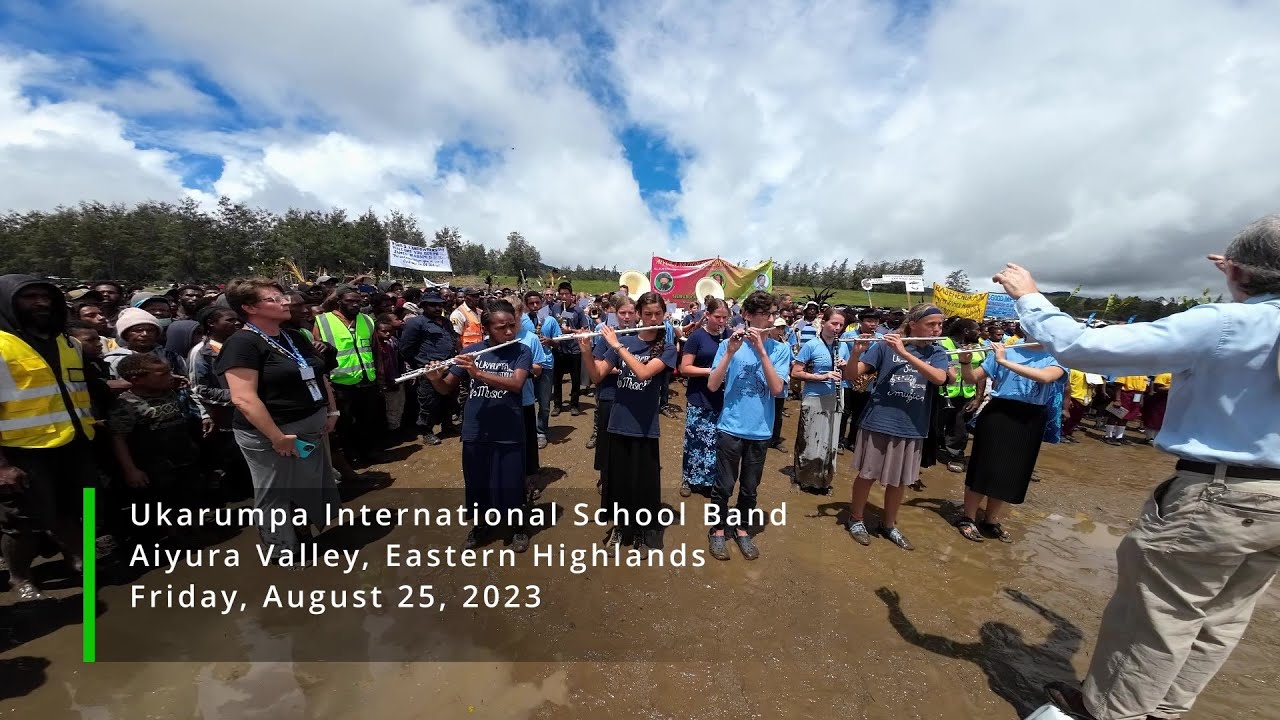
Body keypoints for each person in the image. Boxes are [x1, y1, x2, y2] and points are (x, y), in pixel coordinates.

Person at [991, 215, 1280, 720]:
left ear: (1236, 273)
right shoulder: (1247, 320)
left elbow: (1088, 350)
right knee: (1220, 619)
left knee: (1157, 619)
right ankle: (1161, 711)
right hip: (1273, 505)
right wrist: (1242, 275)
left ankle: (1113, 715)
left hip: (1220, 496)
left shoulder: (1226, 322)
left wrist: (1029, 296)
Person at [218, 277, 340, 560]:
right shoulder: (242, 344)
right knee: (276, 492)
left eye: (282, 296)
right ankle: (281, 550)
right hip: (272, 435)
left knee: (307, 483)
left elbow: (319, 375)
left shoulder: (293, 336)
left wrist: (331, 410)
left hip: (310, 426)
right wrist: (277, 437)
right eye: (273, 299)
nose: (285, 302)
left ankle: (302, 533)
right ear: (249, 307)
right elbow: (243, 398)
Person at [0, 275, 99, 600]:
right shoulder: (1, 346)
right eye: (30, 297)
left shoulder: (67, 342)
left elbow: (83, 388)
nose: (41, 303)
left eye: (46, 296)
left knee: (70, 509)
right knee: (23, 522)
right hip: (21, 450)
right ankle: (20, 575)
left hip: (73, 442)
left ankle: (76, 556)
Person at [425, 300, 533, 552]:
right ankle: (481, 525)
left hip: (508, 427)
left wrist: (478, 373)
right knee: (477, 480)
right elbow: (446, 387)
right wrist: (434, 378)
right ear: (486, 329)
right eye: (501, 328)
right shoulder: (472, 350)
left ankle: (517, 526)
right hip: (476, 428)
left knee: (511, 481)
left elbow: (516, 384)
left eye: (511, 326)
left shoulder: (520, 351)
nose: (508, 332)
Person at [843, 304, 949, 551]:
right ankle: (856, 518)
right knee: (867, 474)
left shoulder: (938, 352)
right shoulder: (884, 346)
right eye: (931, 324)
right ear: (913, 324)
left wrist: (904, 352)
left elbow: (939, 378)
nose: (937, 329)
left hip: (912, 426)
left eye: (940, 325)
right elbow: (851, 375)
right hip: (878, 420)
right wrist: (856, 354)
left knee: (899, 481)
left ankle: (889, 524)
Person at [582, 292, 677, 550]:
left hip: (644, 426)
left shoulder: (667, 348)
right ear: (638, 314)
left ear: (664, 315)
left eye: (658, 314)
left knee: (642, 483)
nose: (653, 318)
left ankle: (641, 530)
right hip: (618, 421)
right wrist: (586, 351)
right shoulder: (626, 341)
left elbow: (644, 373)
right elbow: (597, 376)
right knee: (619, 480)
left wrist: (617, 346)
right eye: (648, 314)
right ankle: (621, 527)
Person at [706, 291, 791, 561]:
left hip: (760, 430)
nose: (770, 319)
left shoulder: (781, 349)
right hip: (730, 427)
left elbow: (777, 389)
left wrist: (762, 351)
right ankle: (718, 530)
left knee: (750, 486)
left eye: (772, 314)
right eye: (764, 314)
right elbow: (712, 384)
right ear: (747, 316)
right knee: (723, 485)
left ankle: (742, 529)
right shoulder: (728, 345)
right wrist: (729, 353)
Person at [953, 339, 1065, 542]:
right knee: (984, 466)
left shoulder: (1056, 354)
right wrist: (965, 362)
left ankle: (991, 520)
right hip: (999, 412)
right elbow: (971, 378)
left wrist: (1003, 361)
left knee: (1011, 470)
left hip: (1030, 416)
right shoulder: (1006, 348)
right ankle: (967, 517)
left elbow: (1045, 377)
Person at [108, 353, 204, 519]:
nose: (170, 377)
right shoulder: (126, 404)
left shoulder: (169, 393)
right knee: (164, 505)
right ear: (137, 379)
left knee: (191, 497)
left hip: (184, 458)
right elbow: (119, 438)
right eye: (164, 374)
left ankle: (196, 530)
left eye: (170, 372)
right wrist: (131, 470)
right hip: (154, 466)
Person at [313, 285, 381, 473]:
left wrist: (379, 377)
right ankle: (351, 456)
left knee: (367, 419)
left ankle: (368, 451)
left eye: (357, 301)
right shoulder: (322, 321)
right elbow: (316, 353)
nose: (355, 305)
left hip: (367, 379)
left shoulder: (366, 320)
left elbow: (375, 350)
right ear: (339, 301)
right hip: (340, 382)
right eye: (350, 301)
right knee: (345, 423)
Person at [791, 307, 849, 494]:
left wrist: (846, 366)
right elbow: (796, 372)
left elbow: (849, 375)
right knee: (809, 438)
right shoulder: (811, 345)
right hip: (814, 397)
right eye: (834, 323)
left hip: (836, 397)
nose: (837, 328)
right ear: (823, 322)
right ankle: (803, 478)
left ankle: (824, 480)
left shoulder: (844, 346)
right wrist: (822, 377)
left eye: (841, 324)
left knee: (829, 440)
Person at [678, 298, 730, 498]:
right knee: (695, 440)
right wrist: (712, 371)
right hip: (699, 397)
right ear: (707, 315)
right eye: (717, 317)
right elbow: (685, 368)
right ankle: (689, 479)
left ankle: (709, 481)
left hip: (722, 398)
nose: (722, 321)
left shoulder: (730, 336)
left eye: (725, 317)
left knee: (716, 443)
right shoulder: (697, 337)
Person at [588, 296, 636, 488]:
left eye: (630, 313)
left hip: (634, 395)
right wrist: (622, 367)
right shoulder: (608, 335)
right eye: (622, 313)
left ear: (636, 314)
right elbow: (597, 363)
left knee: (629, 440)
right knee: (607, 439)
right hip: (610, 394)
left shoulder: (642, 336)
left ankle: (627, 476)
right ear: (616, 314)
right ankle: (606, 476)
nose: (626, 317)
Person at [399, 291, 458, 446]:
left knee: (448, 399)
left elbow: (451, 340)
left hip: (448, 367)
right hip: (429, 370)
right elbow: (405, 348)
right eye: (433, 305)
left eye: (440, 305)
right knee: (429, 402)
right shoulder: (416, 323)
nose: (438, 308)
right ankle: (426, 431)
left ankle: (447, 425)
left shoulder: (446, 322)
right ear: (424, 306)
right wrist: (421, 363)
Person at [936, 318, 986, 473]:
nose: (980, 332)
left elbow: (982, 376)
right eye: (977, 329)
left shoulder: (980, 347)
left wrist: (978, 398)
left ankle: (955, 456)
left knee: (959, 428)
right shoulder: (942, 344)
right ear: (966, 331)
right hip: (941, 394)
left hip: (966, 395)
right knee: (935, 425)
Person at [509, 298, 551, 484]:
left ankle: (531, 477)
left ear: (520, 315)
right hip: (500, 399)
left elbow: (538, 368)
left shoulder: (531, 338)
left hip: (524, 398)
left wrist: (517, 370)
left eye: (513, 314)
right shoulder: (489, 340)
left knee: (527, 440)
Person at [521, 290, 560, 449]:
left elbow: (558, 342)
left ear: (542, 302)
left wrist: (550, 341)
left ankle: (541, 431)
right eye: (531, 303)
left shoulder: (550, 320)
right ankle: (527, 430)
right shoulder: (520, 320)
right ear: (526, 304)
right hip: (526, 366)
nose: (535, 306)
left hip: (546, 365)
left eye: (538, 302)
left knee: (544, 403)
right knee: (527, 401)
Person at [103, 307, 187, 378]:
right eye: (138, 330)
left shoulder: (171, 357)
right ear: (125, 334)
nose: (145, 334)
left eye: (150, 330)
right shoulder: (113, 360)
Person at [839, 309, 880, 450]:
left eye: (875, 321)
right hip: (848, 380)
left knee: (860, 413)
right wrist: (844, 363)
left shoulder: (881, 339)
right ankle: (839, 440)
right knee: (845, 411)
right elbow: (842, 354)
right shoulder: (848, 336)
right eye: (869, 321)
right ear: (860, 322)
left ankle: (852, 440)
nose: (873, 324)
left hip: (868, 382)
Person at [550, 282, 590, 417]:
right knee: (557, 379)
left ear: (571, 295)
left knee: (575, 378)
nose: (564, 296)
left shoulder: (578, 310)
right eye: (561, 294)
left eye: (566, 294)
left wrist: (570, 330)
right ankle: (557, 405)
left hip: (574, 350)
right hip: (559, 349)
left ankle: (574, 405)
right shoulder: (555, 308)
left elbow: (584, 330)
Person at [374, 315, 406, 435]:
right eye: (384, 331)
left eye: (390, 331)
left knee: (397, 406)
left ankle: (396, 429)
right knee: (387, 409)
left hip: (396, 378)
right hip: (384, 383)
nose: (387, 334)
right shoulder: (375, 347)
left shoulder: (392, 343)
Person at [1140, 373, 1172, 444]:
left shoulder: (1178, 377)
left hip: (1170, 399)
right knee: (1153, 418)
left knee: (1163, 419)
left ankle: (1157, 438)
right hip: (1160, 398)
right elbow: (1157, 388)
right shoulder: (1164, 375)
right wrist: (1171, 388)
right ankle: (1149, 438)